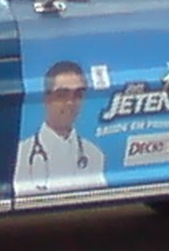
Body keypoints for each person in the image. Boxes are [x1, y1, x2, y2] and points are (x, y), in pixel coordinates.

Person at [14, 59, 106, 195]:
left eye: (78, 95)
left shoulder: (94, 155)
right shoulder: (21, 154)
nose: (70, 102)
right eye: (62, 94)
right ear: (46, 99)